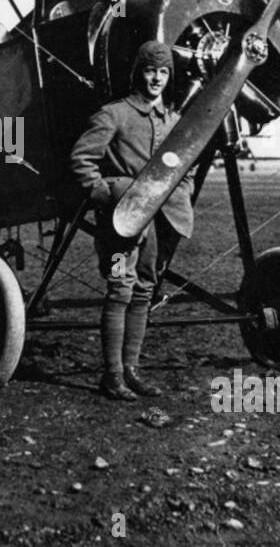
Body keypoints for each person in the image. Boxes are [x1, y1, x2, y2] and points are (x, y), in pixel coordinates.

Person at [70, 40, 194, 400]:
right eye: (150, 70)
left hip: (157, 221)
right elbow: (82, 160)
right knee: (120, 288)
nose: (156, 78)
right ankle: (111, 375)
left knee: (143, 290)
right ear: (138, 72)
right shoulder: (114, 114)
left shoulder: (173, 121)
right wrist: (109, 194)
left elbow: (185, 166)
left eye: (163, 72)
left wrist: (180, 194)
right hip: (121, 221)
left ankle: (131, 370)